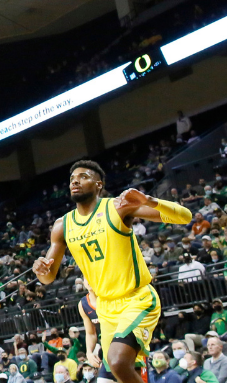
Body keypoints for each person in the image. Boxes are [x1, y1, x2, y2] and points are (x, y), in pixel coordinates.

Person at [33, 160, 193, 383]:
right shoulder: (62, 225)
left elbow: (185, 216)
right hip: (106, 309)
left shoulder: (118, 207)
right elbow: (47, 277)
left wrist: (150, 201)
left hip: (136, 299)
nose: (75, 181)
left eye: (83, 176)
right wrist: (40, 269)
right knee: (111, 378)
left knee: (117, 361)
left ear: (99, 184)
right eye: (72, 179)